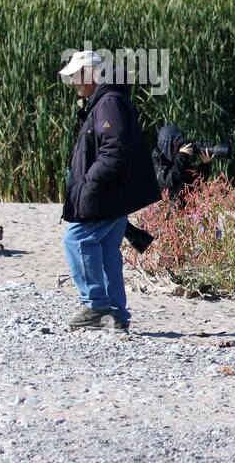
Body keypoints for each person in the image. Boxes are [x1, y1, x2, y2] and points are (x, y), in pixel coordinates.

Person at [59, 49, 160, 331]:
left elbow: (114, 150)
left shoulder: (108, 102)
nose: (74, 84)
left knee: (76, 240)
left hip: (105, 193)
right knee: (105, 250)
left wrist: (91, 183)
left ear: (91, 73)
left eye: (77, 76)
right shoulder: (107, 100)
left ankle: (95, 306)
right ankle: (114, 314)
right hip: (114, 194)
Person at [152, 124, 214, 203]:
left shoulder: (178, 158)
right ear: (168, 144)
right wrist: (182, 157)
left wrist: (205, 165)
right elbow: (170, 181)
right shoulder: (156, 161)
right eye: (177, 144)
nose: (181, 147)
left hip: (183, 208)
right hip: (162, 209)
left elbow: (195, 185)